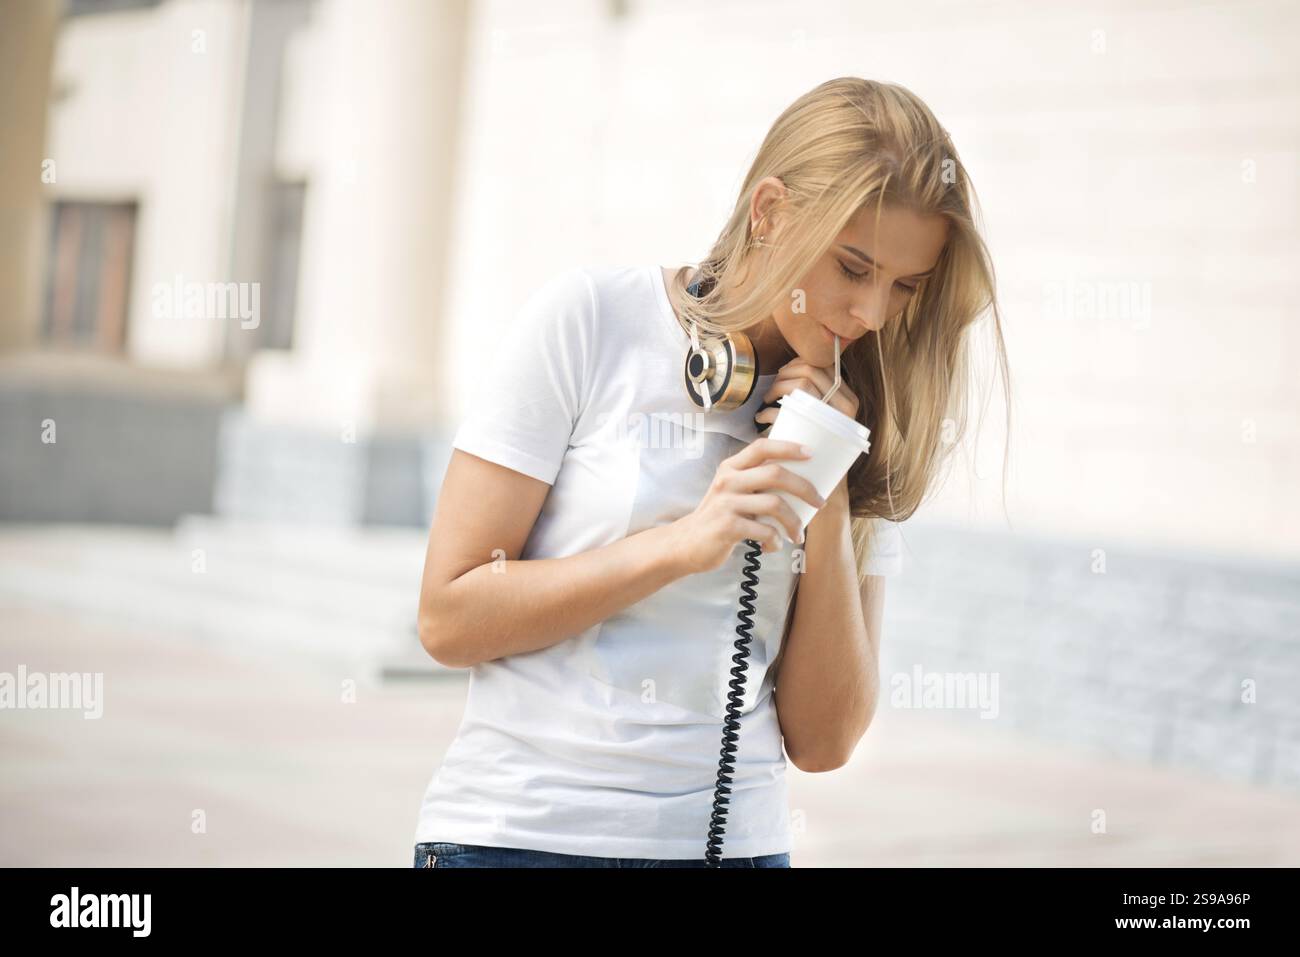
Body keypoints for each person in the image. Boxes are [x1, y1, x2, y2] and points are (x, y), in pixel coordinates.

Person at [410, 76, 1009, 868]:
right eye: (853, 266)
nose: (871, 312)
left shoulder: (854, 413)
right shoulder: (591, 320)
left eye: (903, 286)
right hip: (524, 838)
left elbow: (825, 741)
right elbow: (449, 617)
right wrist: (682, 544)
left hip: (739, 847)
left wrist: (825, 492)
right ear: (769, 212)